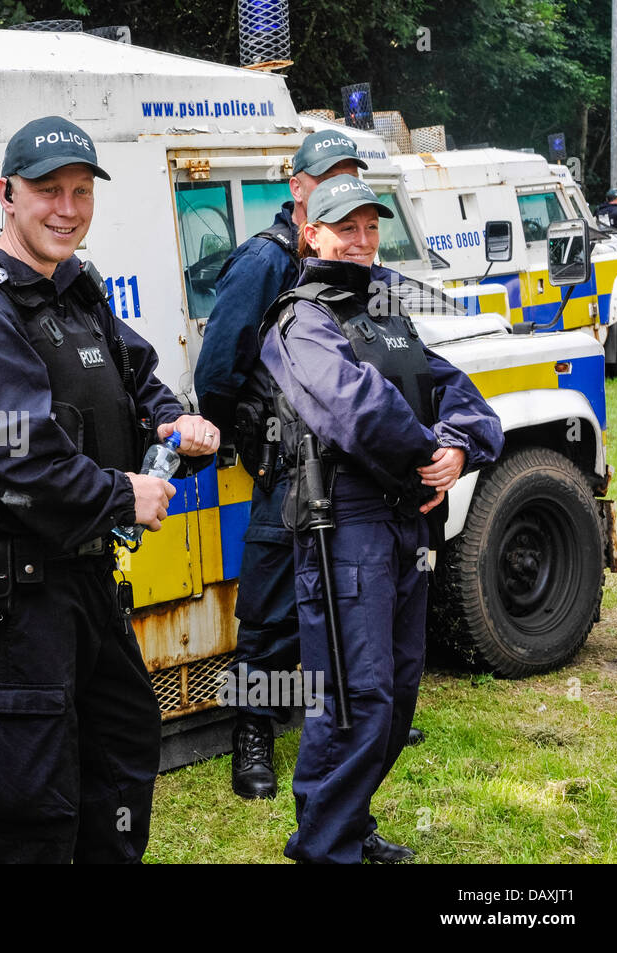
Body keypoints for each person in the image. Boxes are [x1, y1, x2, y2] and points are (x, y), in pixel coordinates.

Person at [0, 116, 220, 863]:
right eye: (49, 191)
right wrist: (121, 495)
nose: (68, 208)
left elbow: (140, 379)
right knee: (31, 808)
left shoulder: (77, 291)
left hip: (85, 583)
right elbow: (13, 456)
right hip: (13, 604)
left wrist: (173, 423)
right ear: (6, 194)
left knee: (117, 755)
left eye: (82, 192)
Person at [259, 174, 504, 864]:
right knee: (352, 701)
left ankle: (342, 825)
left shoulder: (386, 311)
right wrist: (431, 450)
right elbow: (354, 407)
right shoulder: (302, 318)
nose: (364, 241)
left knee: (394, 698)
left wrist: (460, 446)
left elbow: (453, 389)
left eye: (372, 227)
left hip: (405, 519)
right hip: (347, 524)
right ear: (312, 234)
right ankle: (326, 848)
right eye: (347, 228)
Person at [193, 129, 370, 799]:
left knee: (347, 594)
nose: (339, 188)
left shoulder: (349, 261)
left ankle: (359, 714)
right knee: (268, 611)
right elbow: (218, 369)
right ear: (297, 187)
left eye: (351, 176)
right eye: (327, 178)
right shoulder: (265, 261)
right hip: (287, 466)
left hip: (346, 463)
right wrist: (251, 439)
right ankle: (254, 738)